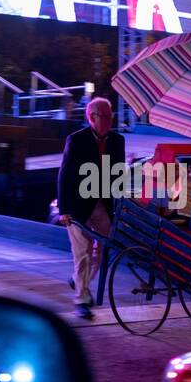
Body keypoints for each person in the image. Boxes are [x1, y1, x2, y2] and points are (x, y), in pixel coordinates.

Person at [56, 97, 125, 318]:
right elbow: (64, 175)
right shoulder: (76, 140)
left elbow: (118, 176)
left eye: (110, 116)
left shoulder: (117, 141)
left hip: (101, 203)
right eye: (104, 117)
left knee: (105, 248)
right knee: (82, 254)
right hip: (77, 205)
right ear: (91, 117)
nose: (109, 121)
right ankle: (82, 300)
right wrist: (64, 209)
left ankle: (79, 280)